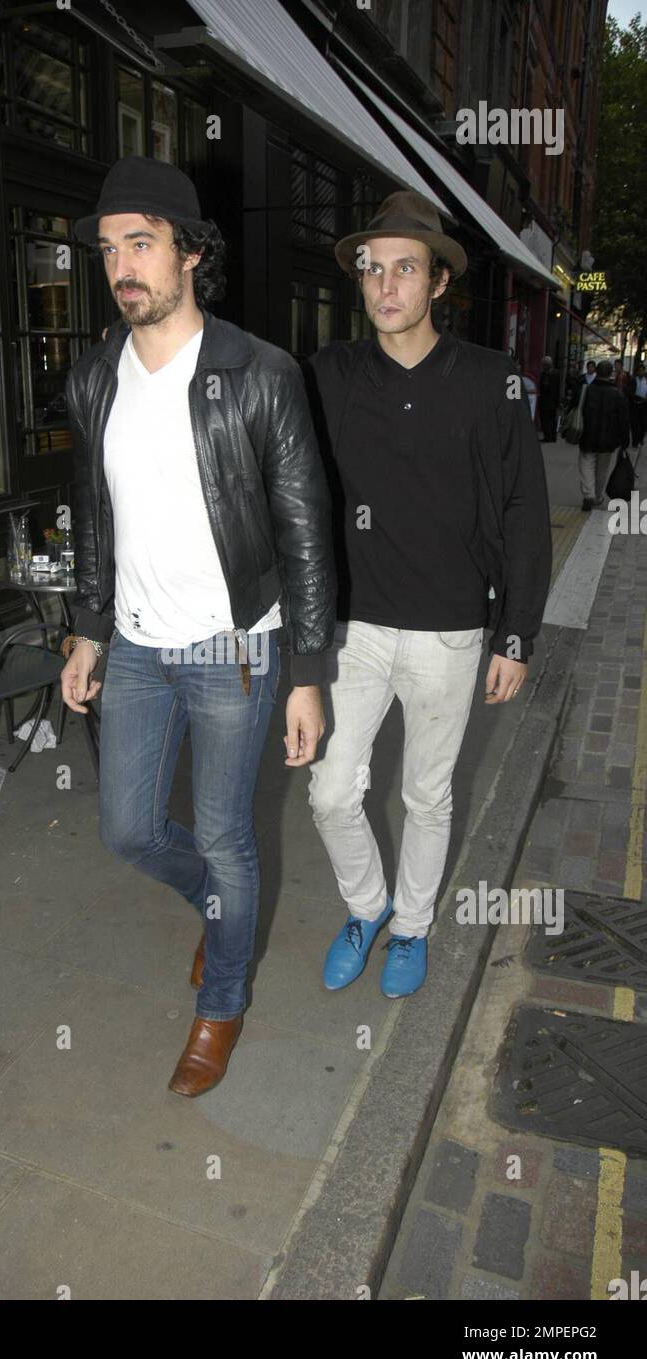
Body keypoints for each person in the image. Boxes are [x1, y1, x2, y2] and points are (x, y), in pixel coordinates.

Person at [63, 156, 336, 1096]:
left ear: (191, 255)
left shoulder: (260, 375)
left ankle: (220, 1003)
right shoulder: (95, 376)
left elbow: (306, 531)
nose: (122, 266)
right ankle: (220, 914)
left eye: (141, 244)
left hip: (236, 651)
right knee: (128, 830)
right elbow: (93, 515)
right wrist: (90, 629)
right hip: (136, 647)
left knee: (226, 839)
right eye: (108, 250)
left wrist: (307, 670)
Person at [303, 190, 552, 1000]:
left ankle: (411, 925)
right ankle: (367, 906)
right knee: (333, 788)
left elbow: (523, 510)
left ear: (439, 283)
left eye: (405, 269)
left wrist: (516, 634)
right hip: (356, 630)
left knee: (425, 794)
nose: (385, 285)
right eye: (373, 269)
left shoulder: (490, 381)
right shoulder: (329, 375)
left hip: (451, 629)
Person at [577, 360, 630, 510]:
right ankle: (598, 495)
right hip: (608, 439)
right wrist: (624, 440)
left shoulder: (586, 390)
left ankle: (588, 494)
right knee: (602, 468)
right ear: (611, 373)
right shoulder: (617, 395)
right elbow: (623, 420)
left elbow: (576, 409)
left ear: (597, 372)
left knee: (586, 464)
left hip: (587, 435)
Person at [538, 355, 561, 442]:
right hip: (554, 400)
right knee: (552, 419)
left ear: (545, 365)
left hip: (546, 400)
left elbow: (545, 386)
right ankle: (553, 436)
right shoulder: (556, 372)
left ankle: (548, 437)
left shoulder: (546, 373)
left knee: (545, 419)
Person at [626, 363, 647, 448]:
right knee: (634, 424)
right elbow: (629, 392)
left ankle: (640, 438)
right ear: (637, 371)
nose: (641, 372)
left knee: (644, 424)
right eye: (640, 370)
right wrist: (639, 398)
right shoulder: (633, 380)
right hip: (634, 404)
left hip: (644, 405)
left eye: (643, 370)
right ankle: (635, 441)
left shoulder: (646, 380)